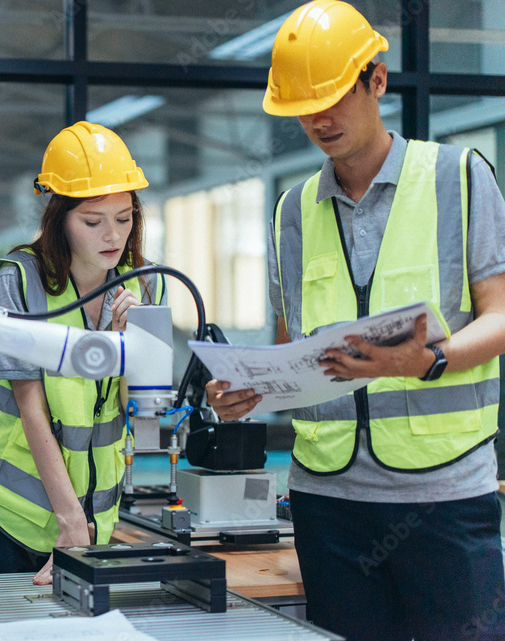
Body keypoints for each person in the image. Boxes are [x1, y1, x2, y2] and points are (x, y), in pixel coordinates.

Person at [206, 3, 505, 639]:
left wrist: (429, 360)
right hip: (327, 505)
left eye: (333, 97)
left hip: (444, 497)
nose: (319, 119)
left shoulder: (459, 177)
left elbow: (502, 315)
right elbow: (295, 350)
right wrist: (250, 391)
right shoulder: (292, 211)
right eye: (303, 107)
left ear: (377, 80)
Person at [0, 121, 167, 585]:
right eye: (92, 222)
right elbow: (30, 407)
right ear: (59, 218)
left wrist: (133, 339)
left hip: (88, 517)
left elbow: (139, 412)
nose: (111, 236)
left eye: (124, 218)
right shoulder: (18, 280)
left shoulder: (144, 283)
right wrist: (70, 521)